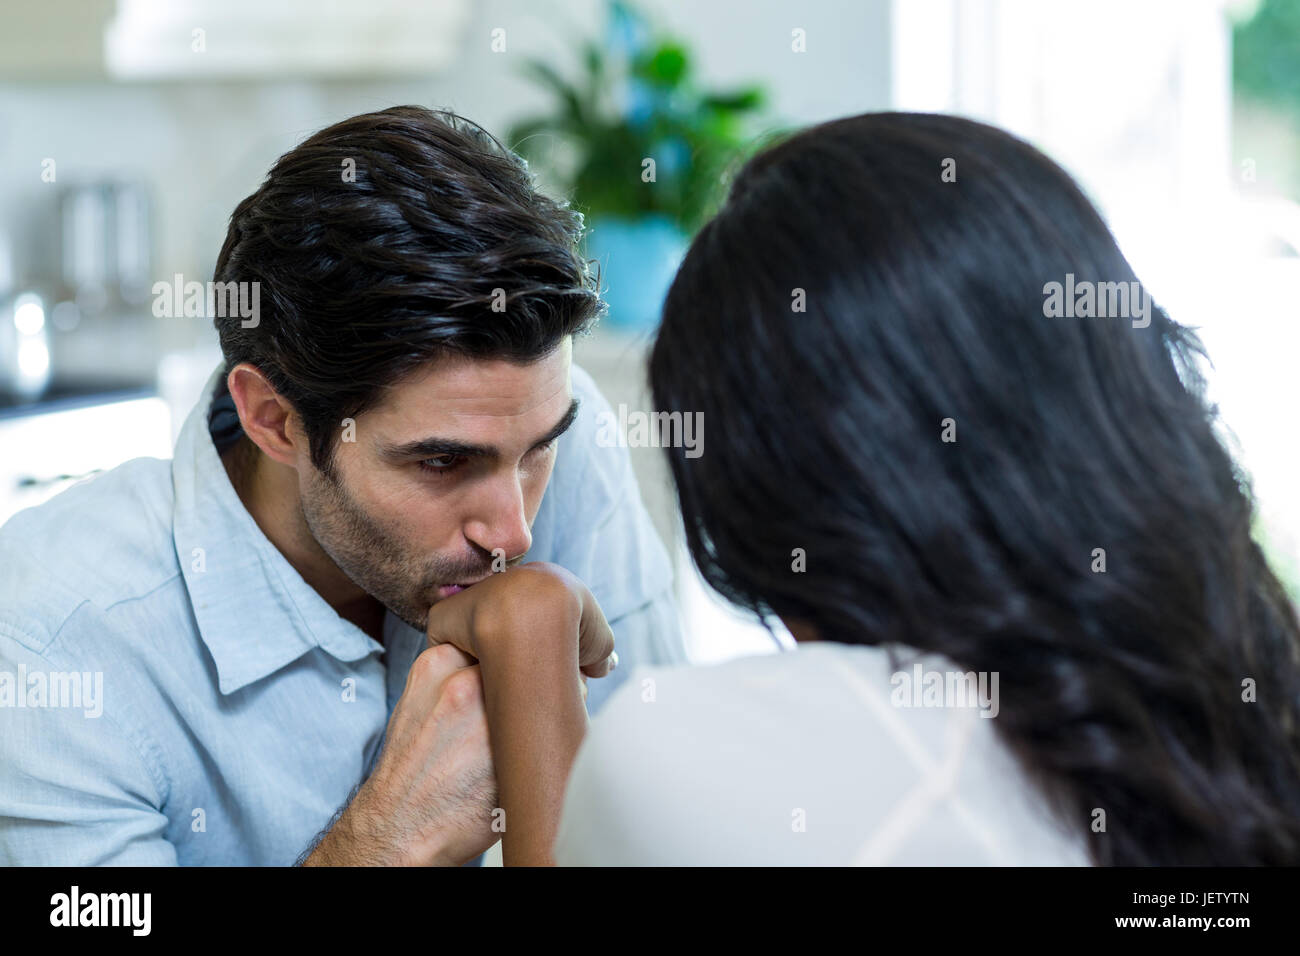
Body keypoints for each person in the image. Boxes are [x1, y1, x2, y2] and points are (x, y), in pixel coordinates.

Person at [434, 111, 1300, 865]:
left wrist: (529, 630)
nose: (508, 527)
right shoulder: (1240, 696)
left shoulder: (698, 760)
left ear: (756, 498)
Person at [0, 106, 685, 866]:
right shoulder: (47, 648)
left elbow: (670, 827)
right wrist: (388, 841)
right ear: (274, 420)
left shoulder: (546, 429)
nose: (513, 532)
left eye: (536, 453)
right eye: (439, 463)